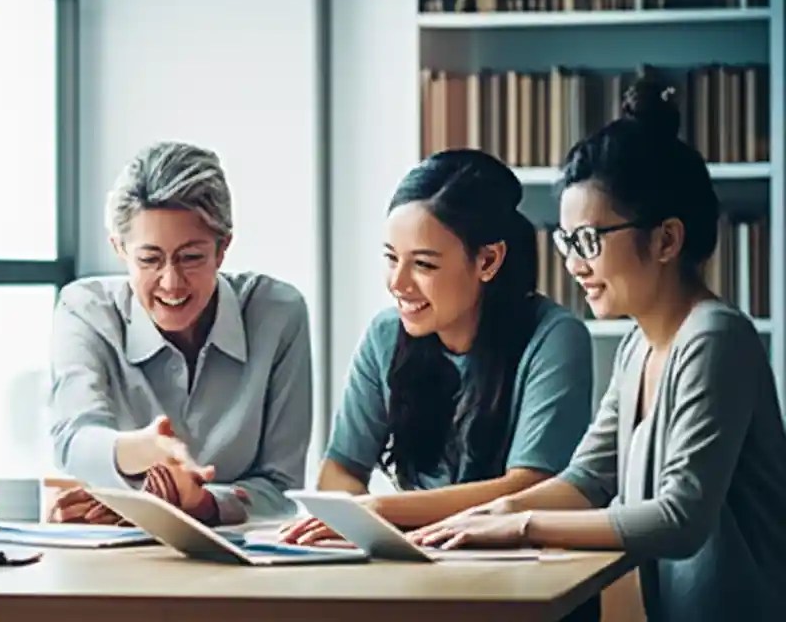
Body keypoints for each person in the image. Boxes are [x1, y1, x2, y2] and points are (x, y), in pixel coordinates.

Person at [408, 81, 786, 621]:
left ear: (666, 240)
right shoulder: (638, 347)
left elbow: (680, 519)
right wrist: (490, 512)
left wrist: (520, 526)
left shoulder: (715, 338)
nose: (574, 265)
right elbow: (587, 480)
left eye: (588, 241)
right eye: (567, 244)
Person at [283, 149, 593, 545]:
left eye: (423, 265)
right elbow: (339, 473)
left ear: (488, 260)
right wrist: (372, 528)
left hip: (522, 573)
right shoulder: (385, 335)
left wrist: (382, 512)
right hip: (421, 562)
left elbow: (532, 488)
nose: (398, 283)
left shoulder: (554, 338)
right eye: (391, 258)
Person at [47, 141, 312, 525]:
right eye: (149, 259)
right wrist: (144, 450)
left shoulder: (278, 314)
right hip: (121, 554)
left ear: (222, 250)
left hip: (244, 565)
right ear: (119, 249)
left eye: (191, 258)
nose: (171, 283)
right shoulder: (85, 309)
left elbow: (281, 487)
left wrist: (199, 503)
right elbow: (74, 438)